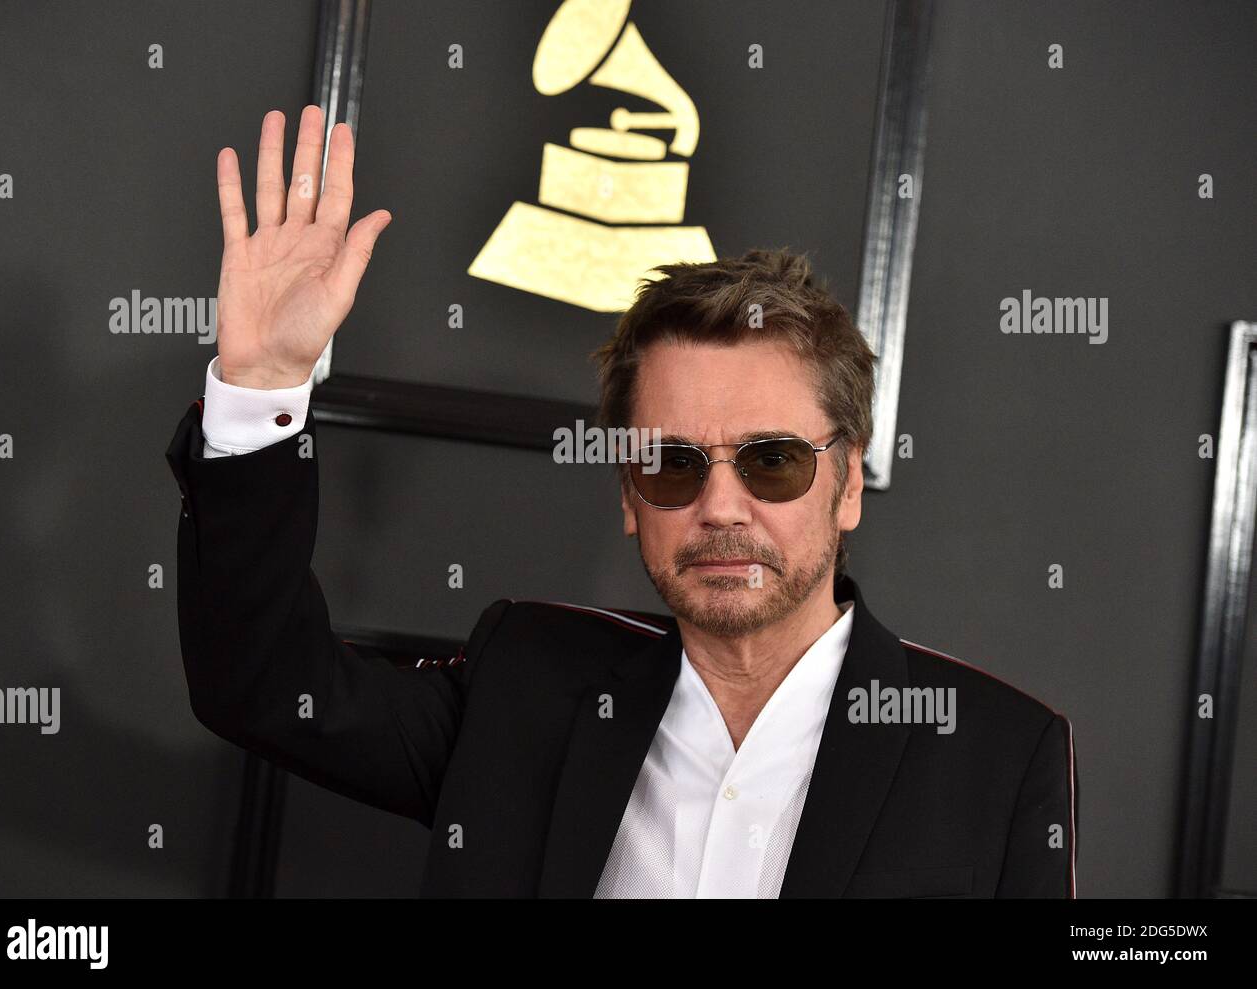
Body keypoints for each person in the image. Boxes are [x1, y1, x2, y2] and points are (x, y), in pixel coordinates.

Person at [167, 105, 1077, 898]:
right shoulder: (528, 685)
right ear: (630, 497)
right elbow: (263, 686)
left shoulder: (996, 753)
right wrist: (264, 381)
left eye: (771, 461)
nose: (721, 506)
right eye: (674, 466)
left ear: (847, 483)